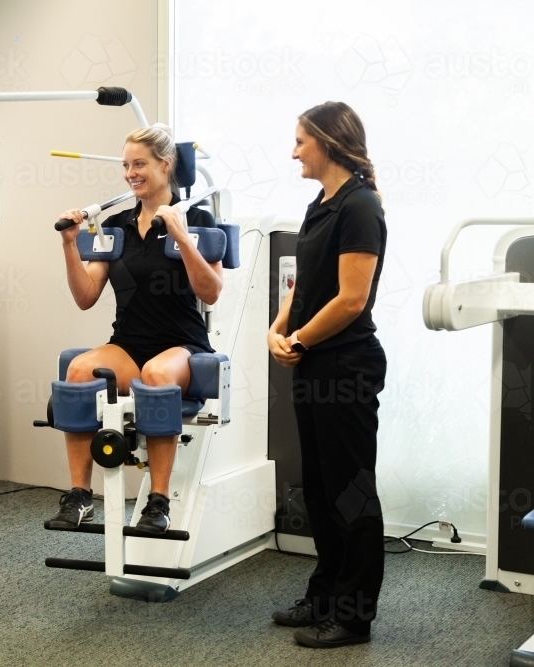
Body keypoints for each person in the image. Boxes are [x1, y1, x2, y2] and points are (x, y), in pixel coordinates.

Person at [47, 124, 223, 534]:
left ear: (165, 165)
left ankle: (157, 504)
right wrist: (70, 245)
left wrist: (181, 234)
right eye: (126, 165)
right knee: (78, 372)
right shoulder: (117, 226)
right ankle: (79, 497)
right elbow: (86, 295)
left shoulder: (196, 217)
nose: (131, 173)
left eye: (139, 164)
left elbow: (211, 292)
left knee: (157, 376)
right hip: (127, 343)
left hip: (181, 344)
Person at [267, 101, 387, 648]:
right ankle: (325, 594)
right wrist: (277, 328)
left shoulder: (360, 207)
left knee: (350, 492)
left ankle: (354, 616)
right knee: (317, 489)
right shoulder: (321, 203)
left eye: (299, 142)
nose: (293, 151)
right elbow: (304, 284)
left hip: (347, 365)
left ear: (328, 142)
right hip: (314, 363)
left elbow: (351, 300)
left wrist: (296, 339)